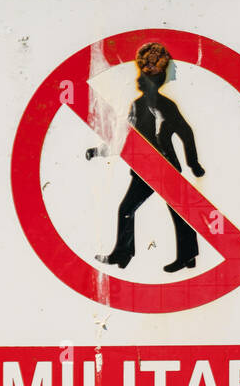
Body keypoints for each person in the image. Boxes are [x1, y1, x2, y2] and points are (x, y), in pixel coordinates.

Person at [88, 42, 206, 272]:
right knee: (127, 209)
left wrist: (194, 163)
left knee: (179, 212)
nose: (140, 79)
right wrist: (98, 152)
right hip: (144, 168)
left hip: (166, 167)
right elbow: (121, 137)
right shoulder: (137, 105)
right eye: (142, 73)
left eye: (147, 75)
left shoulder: (167, 106)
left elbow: (186, 132)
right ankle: (124, 253)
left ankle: (188, 256)